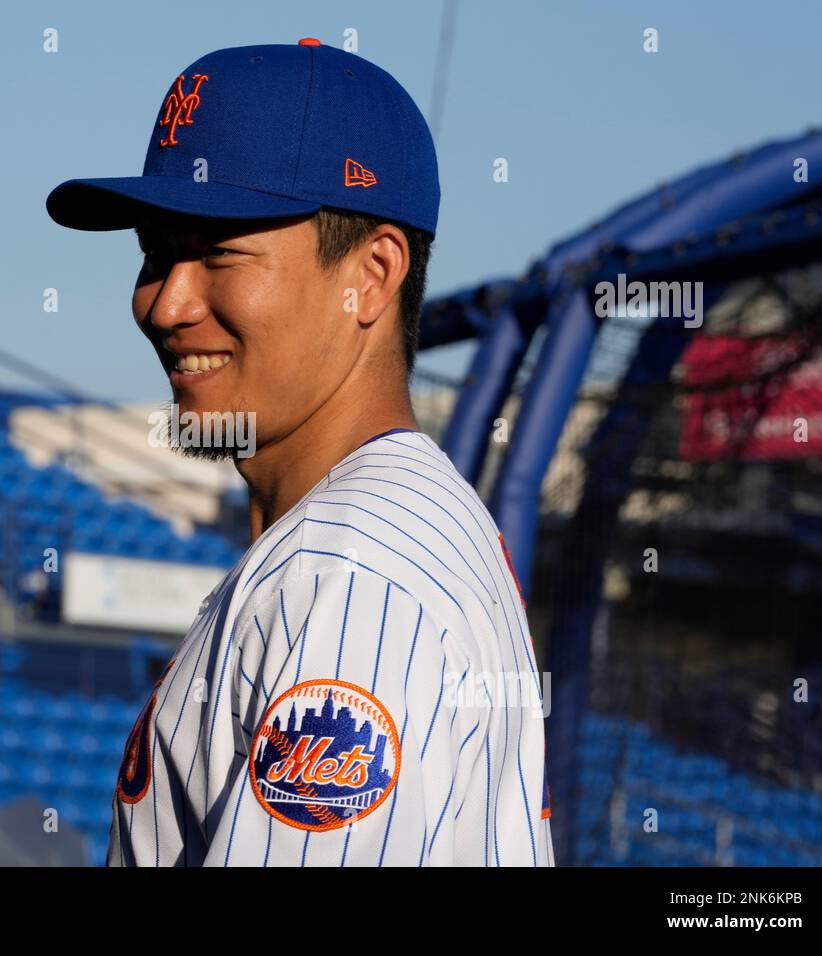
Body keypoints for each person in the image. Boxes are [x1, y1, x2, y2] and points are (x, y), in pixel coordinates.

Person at [47, 38, 552, 866]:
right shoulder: (383, 531)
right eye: (155, 253)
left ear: (374, 273)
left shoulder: (348, 578)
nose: (166, 303)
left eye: (219, 252)